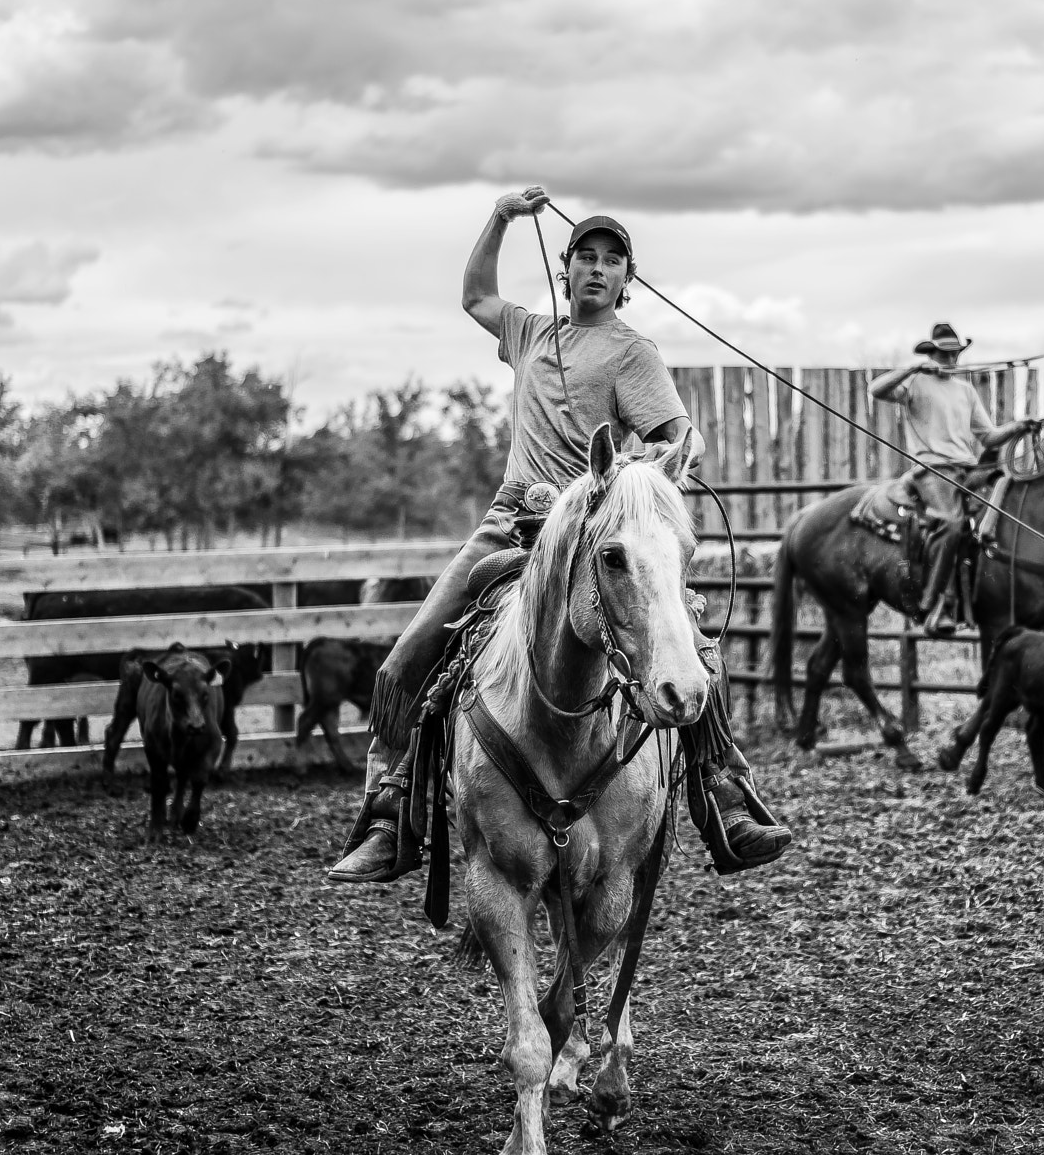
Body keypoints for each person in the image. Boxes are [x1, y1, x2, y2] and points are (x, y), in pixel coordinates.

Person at [330, 187, 792, 883]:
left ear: (627, 282)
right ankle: (392, 814)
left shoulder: (632, 354)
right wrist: (502, 216)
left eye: (613, 261)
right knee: (404, 662)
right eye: (587, 257)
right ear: (566, 269)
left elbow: (678, 434)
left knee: (685, 642)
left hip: (592, 530)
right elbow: (474, 294)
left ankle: (722, 794)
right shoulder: (530, 333)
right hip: (510, 521)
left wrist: (652, 472)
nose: (598, 269)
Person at [869, 324, 1037, 637]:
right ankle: (936, 604)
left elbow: (987, 436)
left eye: (955, 353)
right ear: (931, 353)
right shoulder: (915, 382)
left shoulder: (966, 391)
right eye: (945, 353)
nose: (952, 358)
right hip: (932, 469)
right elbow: (876, 390)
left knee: (1008, 493)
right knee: (951, 523)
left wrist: (1018, 426)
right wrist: (911, 368)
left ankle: (1002, 588)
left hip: (967, 468)